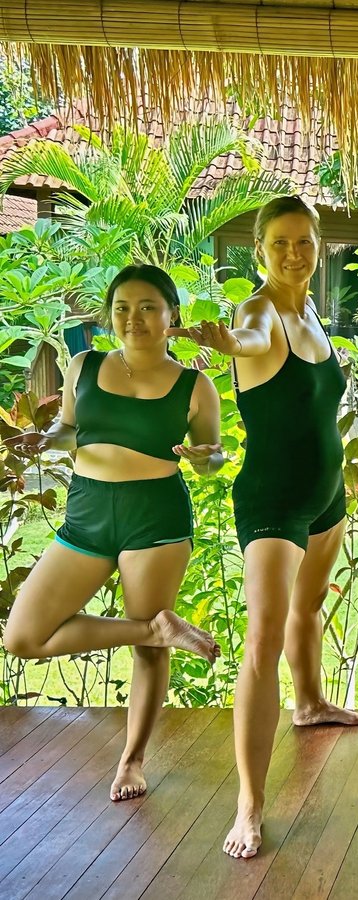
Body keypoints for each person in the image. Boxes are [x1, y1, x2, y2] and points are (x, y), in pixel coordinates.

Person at [169, 196, 358, 860]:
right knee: (263, 638)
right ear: (259, 249)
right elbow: (250, 340)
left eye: (304, 242)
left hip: (325, 496)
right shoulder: (257, 312)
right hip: (274, 502)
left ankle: (310, 702)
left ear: (319, 247)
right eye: (280, 243)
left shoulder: (312, 313)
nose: (293, 254)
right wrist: (225, 343)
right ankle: (250, 806)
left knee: (307, 608)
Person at [1, 264, 221, 802]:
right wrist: (46, 438)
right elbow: (69, 428)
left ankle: (132, 761)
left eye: (147, 307)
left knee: (150, 654)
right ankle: (154, 628)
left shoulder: (195, 385)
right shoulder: (84, 365)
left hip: (156, 518)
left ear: (171, 315)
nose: (133, 318)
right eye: (122, 308)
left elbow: (213, 456)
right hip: (87, 514)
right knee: (23, 637)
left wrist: (205, 457)